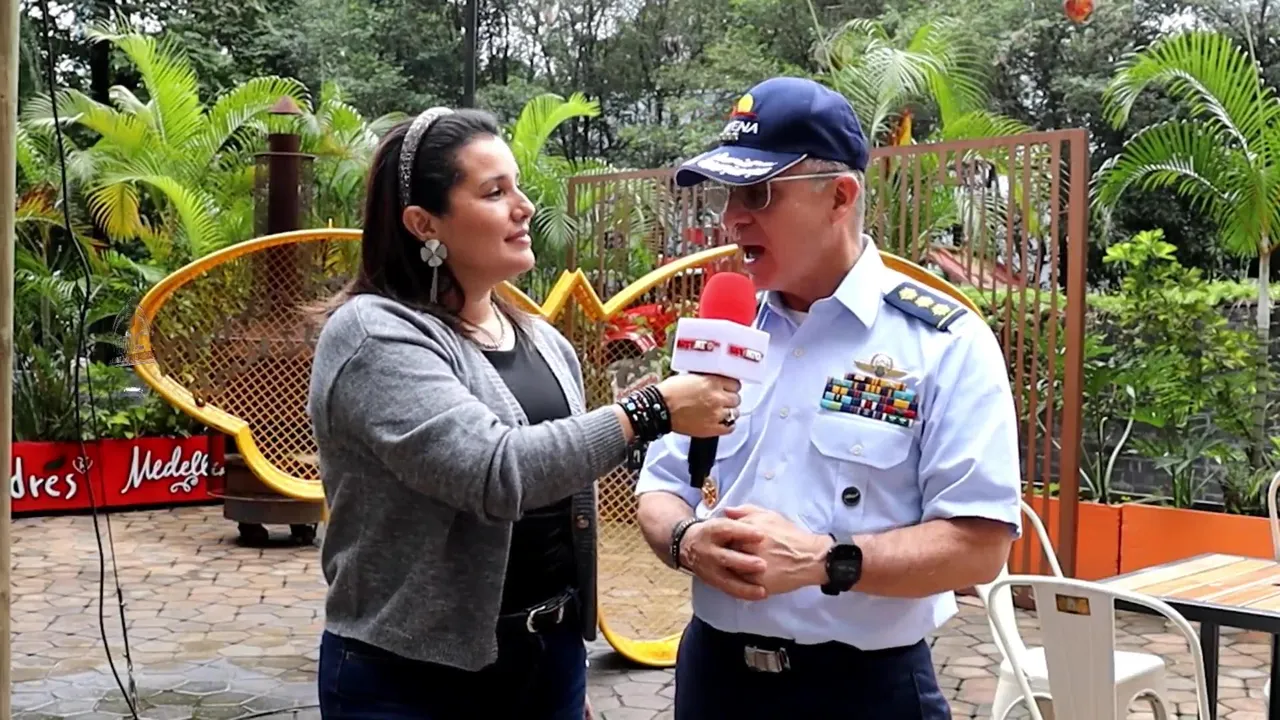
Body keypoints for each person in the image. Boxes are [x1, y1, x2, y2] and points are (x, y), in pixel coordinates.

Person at [306, 106, 743, 720]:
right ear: (423, 223)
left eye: (518, 187)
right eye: (495, 192)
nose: (524, 207)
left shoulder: (544, 342)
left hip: (547, 661)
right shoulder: (374, 335)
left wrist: (562, 672)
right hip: (413, 679)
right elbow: (492, 472)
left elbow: (564, 501)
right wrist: (650, 410)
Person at [635, 76, 1023, 718]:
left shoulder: (943, 343)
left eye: (758, 193)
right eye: (728, 195)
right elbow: (661, 485)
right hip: (714, 679)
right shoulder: (721, 335)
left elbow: (980, 544)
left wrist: (825, 561)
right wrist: (686, 540)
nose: (732, 217)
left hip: (864, 691)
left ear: (840, 195)